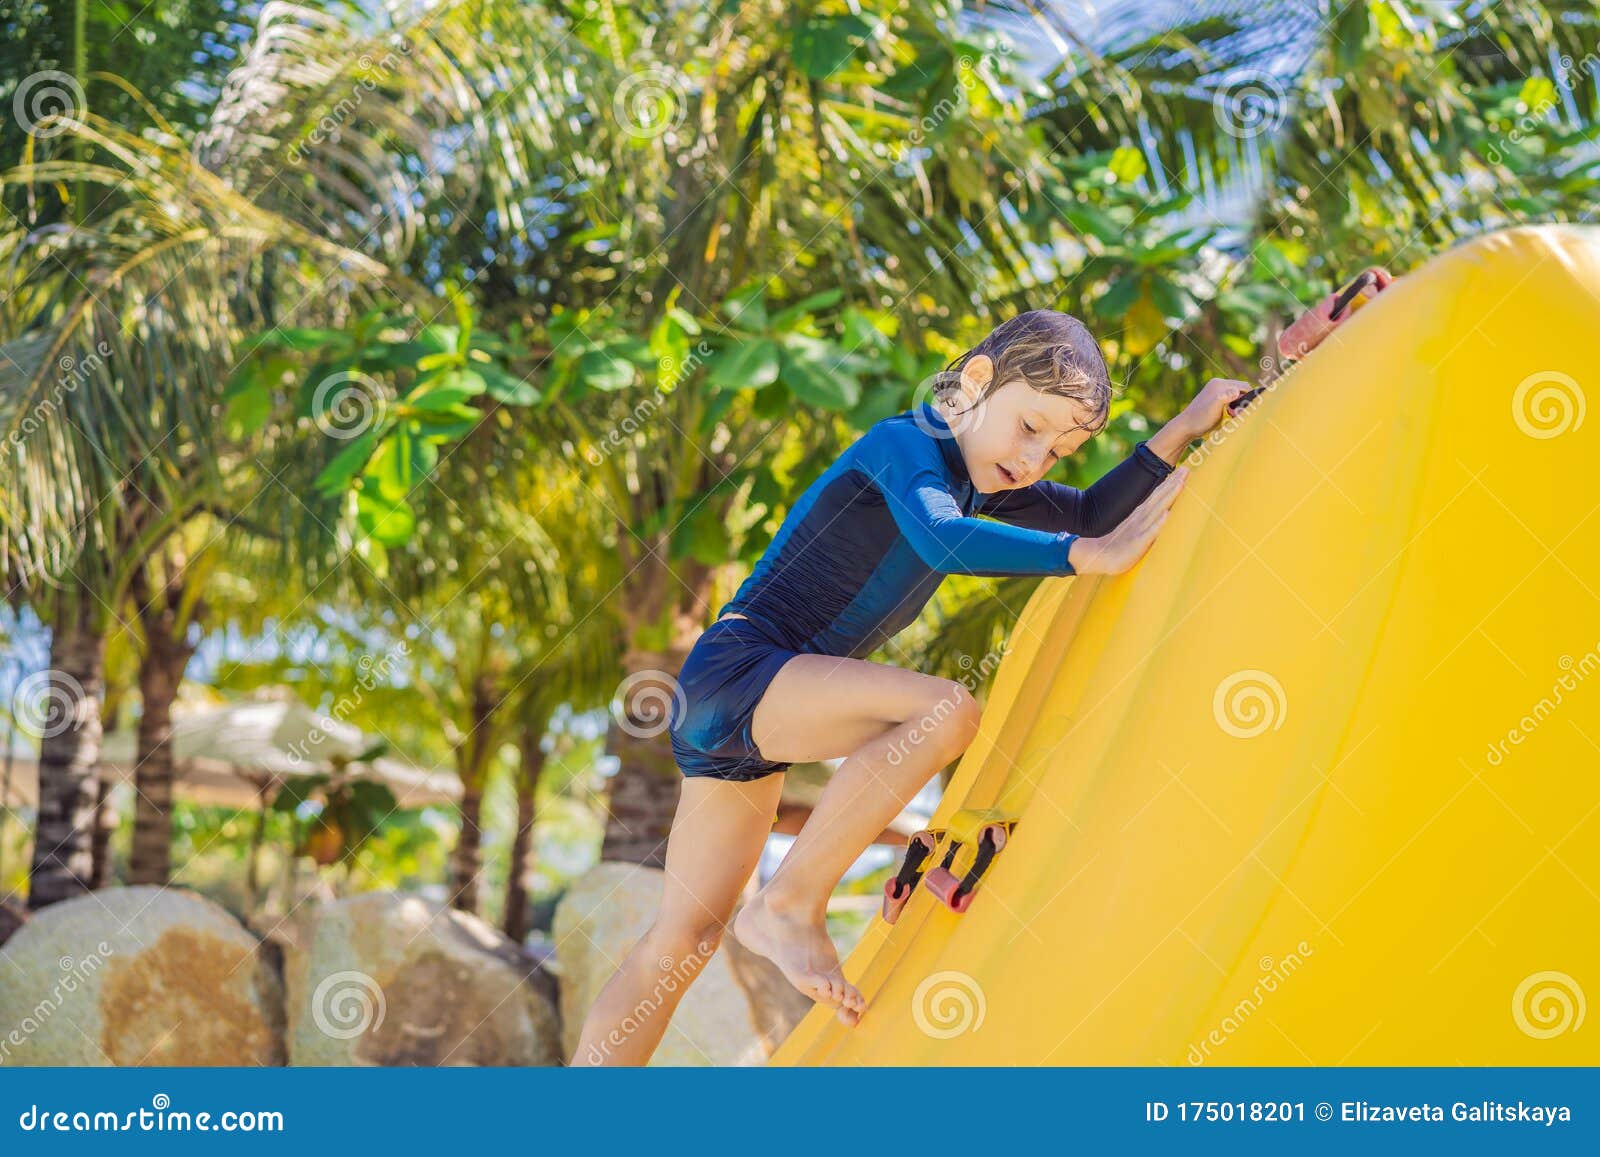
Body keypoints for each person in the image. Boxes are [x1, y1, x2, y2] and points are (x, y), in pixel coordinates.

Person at [575, 310, 1251, 1065]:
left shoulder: (980, 483)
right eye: (1030, 426)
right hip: (744, 670)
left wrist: (1188, 424)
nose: (1035, 460)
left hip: (749, 710)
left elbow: (1093, 510)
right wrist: (1086, 556)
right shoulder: (907, 445)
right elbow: (942, 536)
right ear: (975, 381)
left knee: (683, 938)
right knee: (945, 710)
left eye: (1059, 447)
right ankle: (790, 902)